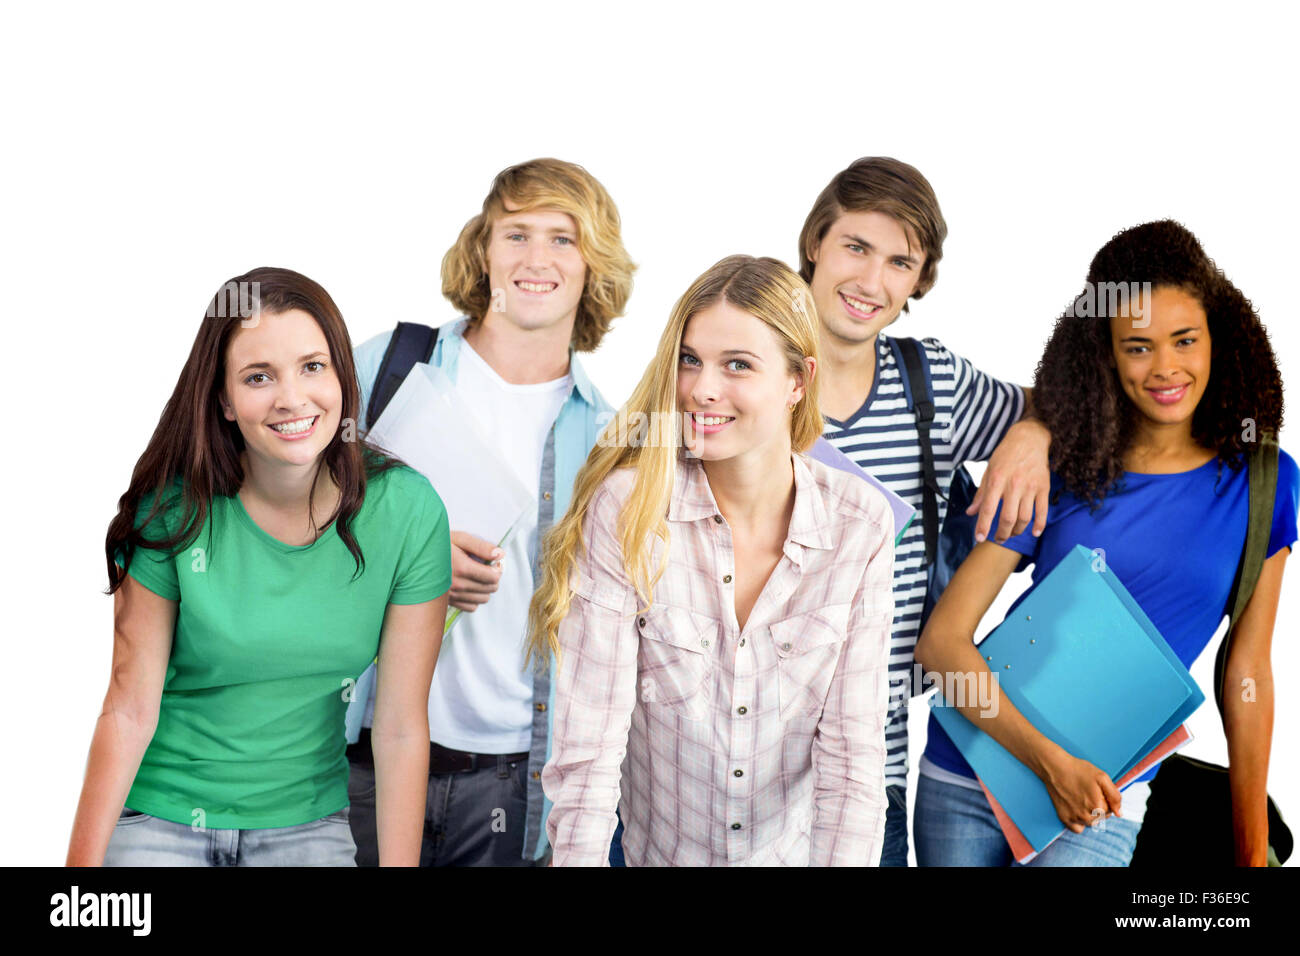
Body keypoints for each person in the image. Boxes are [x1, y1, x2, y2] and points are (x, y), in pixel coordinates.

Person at [913, 220, 1296, 866]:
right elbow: (943, 645)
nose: (1166, 368)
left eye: (1185, 340)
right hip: (967, 778)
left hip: (1102, 799)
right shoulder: (1062, 466)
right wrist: (1050, 762)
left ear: (1219, 340)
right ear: (1107, 356)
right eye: (1138, 347)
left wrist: (1251, 853)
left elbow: (1248, 672)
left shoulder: (1264, 481)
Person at [68, 267, 451, 867]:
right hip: (161, 817)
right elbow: (128, 708)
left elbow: (401, 728)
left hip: (307, 825)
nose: (291, 398)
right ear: (223, 398)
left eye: (312, 366)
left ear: (344, 378)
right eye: (258, 377)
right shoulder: (173, 510)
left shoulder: (407, 512)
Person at [533, 255, 896, 866]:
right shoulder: (629, 508)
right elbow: (588, 754)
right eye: (691, 359)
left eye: (738, 365)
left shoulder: (859, 524)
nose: (702, 388)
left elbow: (851, 768)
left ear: (798, 381)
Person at [343, 158, 635, 866]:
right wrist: (407, 565)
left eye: (564, 239)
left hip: (514, 779)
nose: (537, 259)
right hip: (359, 762)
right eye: (516, 234)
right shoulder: (387, 368)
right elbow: (275, 523)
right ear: (483, 249)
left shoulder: (612, 436)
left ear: (595, 265)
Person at [801, 156, 1053, 865]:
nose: (871, 282)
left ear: (919, 279)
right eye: (855, 247)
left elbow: (1058, 402)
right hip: (726, 778)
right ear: (816, 241)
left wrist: (1031, 434)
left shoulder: (930, 382)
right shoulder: (741, 367)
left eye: (899, 262)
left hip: (866, 781)